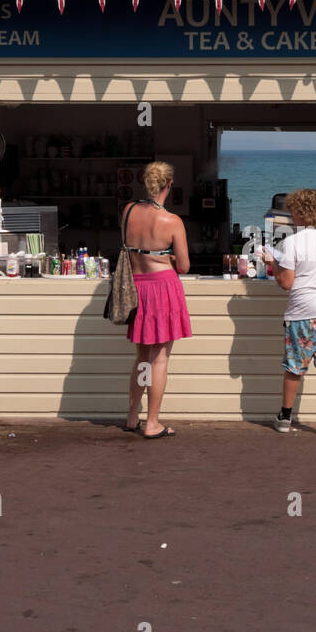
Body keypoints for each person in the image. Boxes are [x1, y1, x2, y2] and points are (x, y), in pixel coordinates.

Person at [262, 189, 316, 436]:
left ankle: (285, 417)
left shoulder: (291, 242)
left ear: (299, 212)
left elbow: (286, 283)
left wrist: (271, 263)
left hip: (303, 312)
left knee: (295, 367)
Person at [122, 161, 191, 439]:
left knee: (142, 356)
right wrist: (170, 257)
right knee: (159, 358)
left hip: (137, 287)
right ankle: (152, 422)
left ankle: (131, 417)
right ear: (169, 184)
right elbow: (184, 266)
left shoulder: (128, 211)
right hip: (162, 287)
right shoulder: (172, 221)